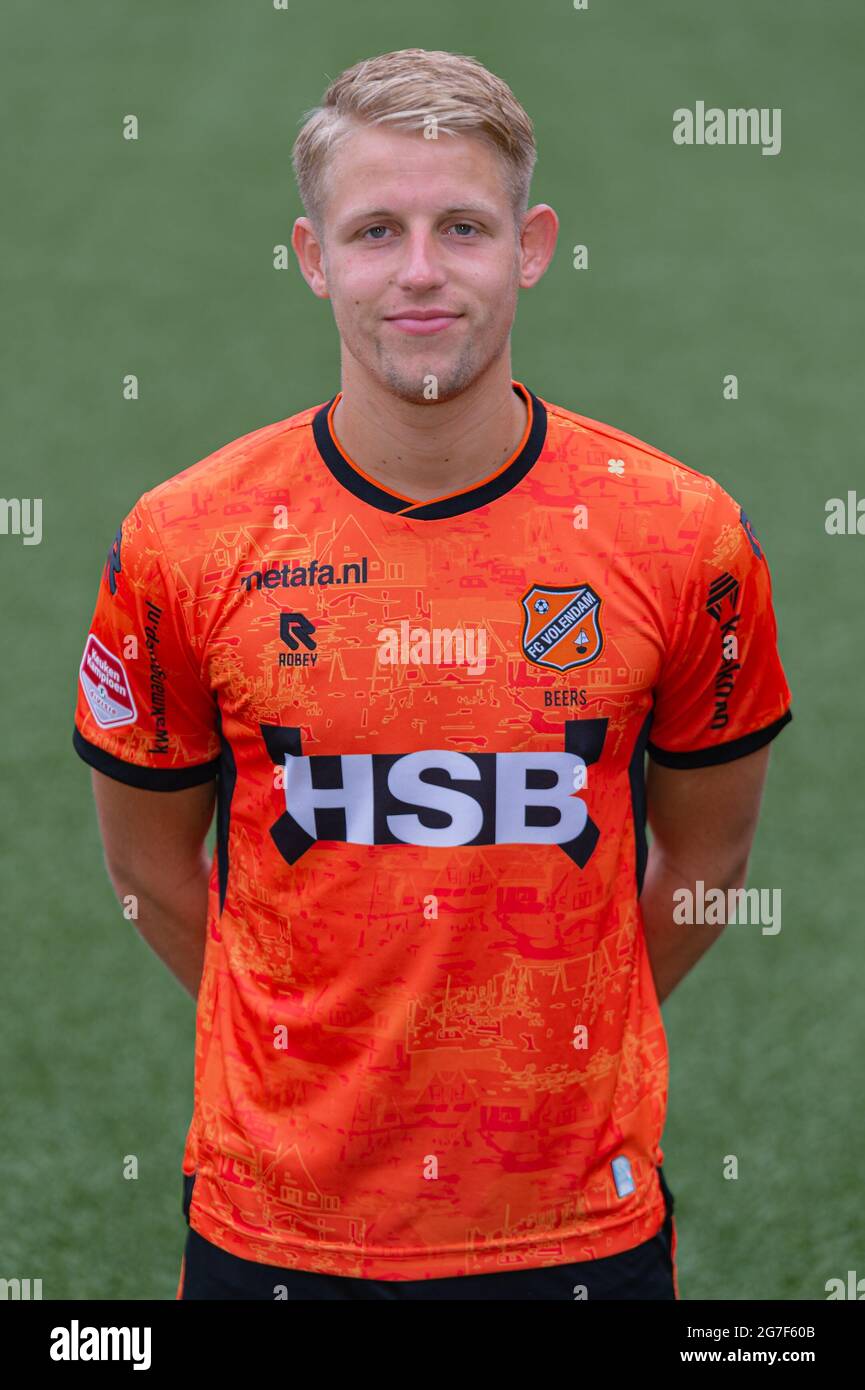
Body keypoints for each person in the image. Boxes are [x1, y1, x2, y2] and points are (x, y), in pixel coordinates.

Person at [73, 48, 792, 1300]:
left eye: (462, 226)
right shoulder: (181, 541)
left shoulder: (684, 536)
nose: (418, 271)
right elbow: (146, 867)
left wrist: (571, 1022)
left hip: (574, 1227)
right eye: (375, 230)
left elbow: (710, 863)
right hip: (274, 1225)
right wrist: (305, 1035)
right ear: (310, 256)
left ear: (531, 244)